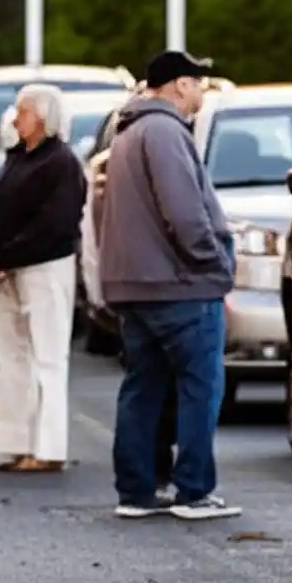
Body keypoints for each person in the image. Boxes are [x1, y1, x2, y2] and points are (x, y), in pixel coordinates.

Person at [99, 50, 239, 520]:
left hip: (136, 284)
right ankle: (194, 490)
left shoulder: (130, 131)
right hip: (181, 285)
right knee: (202, 387)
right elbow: (184, 212)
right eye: (198, 81)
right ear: (180, 84)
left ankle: (137, 491)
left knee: (144, 387)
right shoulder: (164, 131)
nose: (202, 90)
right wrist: (215, 263)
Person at [0, 84, 86, 473]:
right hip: (12, 269)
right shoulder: (17, 158)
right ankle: (16, 442)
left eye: (23, 111)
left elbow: (55, 223)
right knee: (12, 355)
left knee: (47, 357)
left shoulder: (62, 163)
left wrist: (4, 254)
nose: (15, 117)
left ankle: (47, 447)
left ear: (42, 117)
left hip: (46, 267)